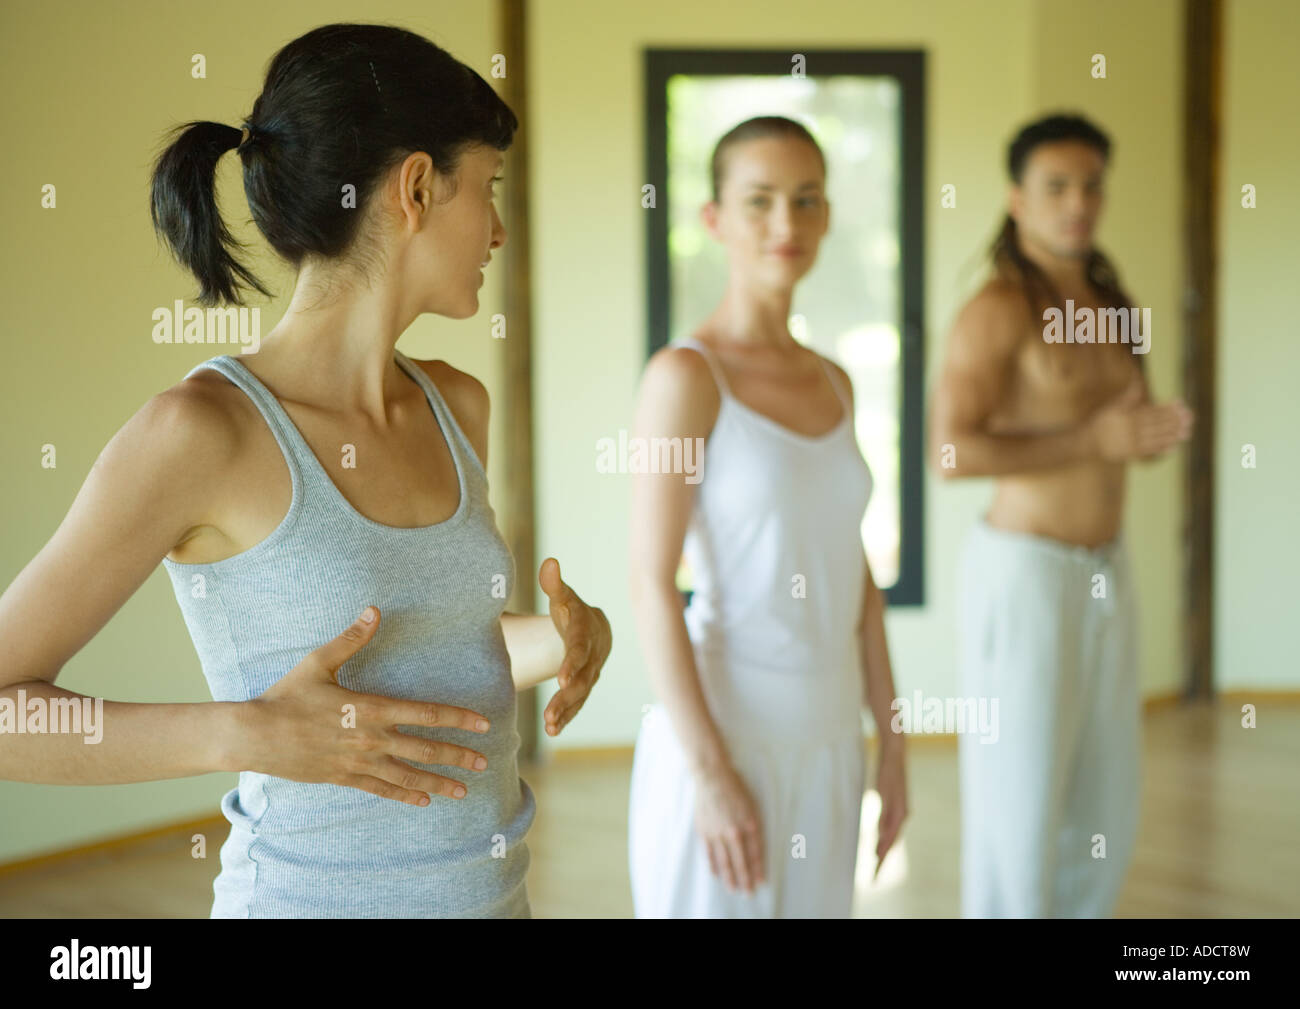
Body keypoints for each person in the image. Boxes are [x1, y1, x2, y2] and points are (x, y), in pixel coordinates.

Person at [0, 23, 611, 918]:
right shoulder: (202, 432)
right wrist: (244, 732)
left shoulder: (458, 408)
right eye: (488, 187)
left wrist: (566, 638)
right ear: (414, 186)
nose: (500, 227)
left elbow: (427, 656)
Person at [626, 116, 908, 918]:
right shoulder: (685, 376)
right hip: (724, 741)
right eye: (759, 201)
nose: (786, 224)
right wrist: (711, 775)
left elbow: (857, 578)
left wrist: (890, 739)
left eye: (806, 199)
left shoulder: (837, 383)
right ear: (713, 219)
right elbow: (650, 583)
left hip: (829, 741)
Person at [929, 112, 1193, 917]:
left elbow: (1114, 429)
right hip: (1028, 575)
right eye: (1057, 186)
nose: (1079, 201)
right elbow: (950, 453)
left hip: (1107, 570)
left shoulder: (1109, 298)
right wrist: (1093, 436)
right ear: (1017, 197)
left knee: (1105, 796)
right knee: (1021, 796)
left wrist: (1139, 438)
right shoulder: (998, 306)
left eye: (1091, 184)